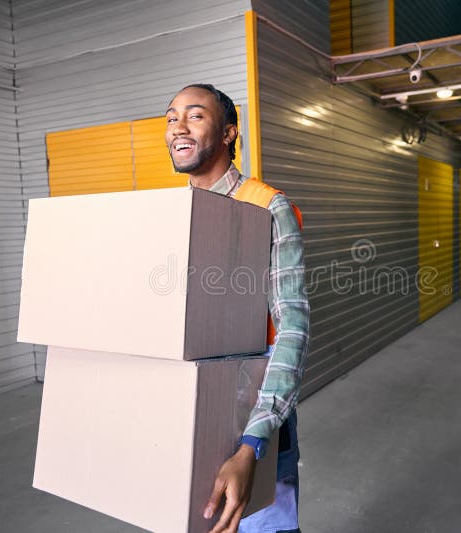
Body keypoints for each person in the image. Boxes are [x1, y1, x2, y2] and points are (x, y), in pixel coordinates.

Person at [165, 83, 310, 533]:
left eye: (195, 115)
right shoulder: (170, 212)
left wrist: (252, 446)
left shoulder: (267, 206)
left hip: (252, 417)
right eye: (171, 118)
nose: (178, 127)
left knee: (265, 524)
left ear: (228, 133)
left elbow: (293, 327)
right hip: (184, 411)